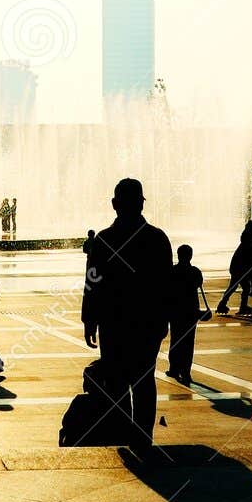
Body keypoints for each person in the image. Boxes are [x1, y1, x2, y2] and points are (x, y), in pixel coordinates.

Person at [83, 178, 173, 451]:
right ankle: (143, 438)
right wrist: (164, 321)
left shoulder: (104, 240)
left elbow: (92, 283)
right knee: (145, 380)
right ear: (141, 204)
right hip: (147, 323)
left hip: (113, 323)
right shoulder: (157, 239)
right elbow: (166, 285)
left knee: (117, 379)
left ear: (114, 204)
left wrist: (89, 319)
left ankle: (125, 434)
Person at [165, 244, 210, 385]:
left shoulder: (172, 271)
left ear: (178, 255)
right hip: (191, 311)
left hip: (176, 311)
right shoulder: (195, 272)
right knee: (189, 342)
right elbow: (198, 285)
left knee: (176, 339)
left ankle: (174, 368)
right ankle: (186, 371)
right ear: (190, 256)